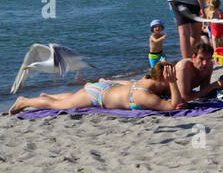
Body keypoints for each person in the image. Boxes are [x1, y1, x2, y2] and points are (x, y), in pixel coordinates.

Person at [9, 64, 186, 115]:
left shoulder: (145, 81)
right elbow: (173, 106)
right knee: (59, 106)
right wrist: (172, 83)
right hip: (98, 95)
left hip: (104, 87)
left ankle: (47, 95)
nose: (174, 81)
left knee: (71, 97)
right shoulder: (144, 96)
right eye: (170, 78)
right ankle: (25, 101)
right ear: (162, 79)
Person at [174, 39, 223, 104]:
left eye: (208, 59)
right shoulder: (183, 67)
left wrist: (218, 85)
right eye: (201, 59)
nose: (205, 63)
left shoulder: (209, 65)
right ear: (193, 57)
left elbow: (204, 90)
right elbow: (185, 97)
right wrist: (213, 86)